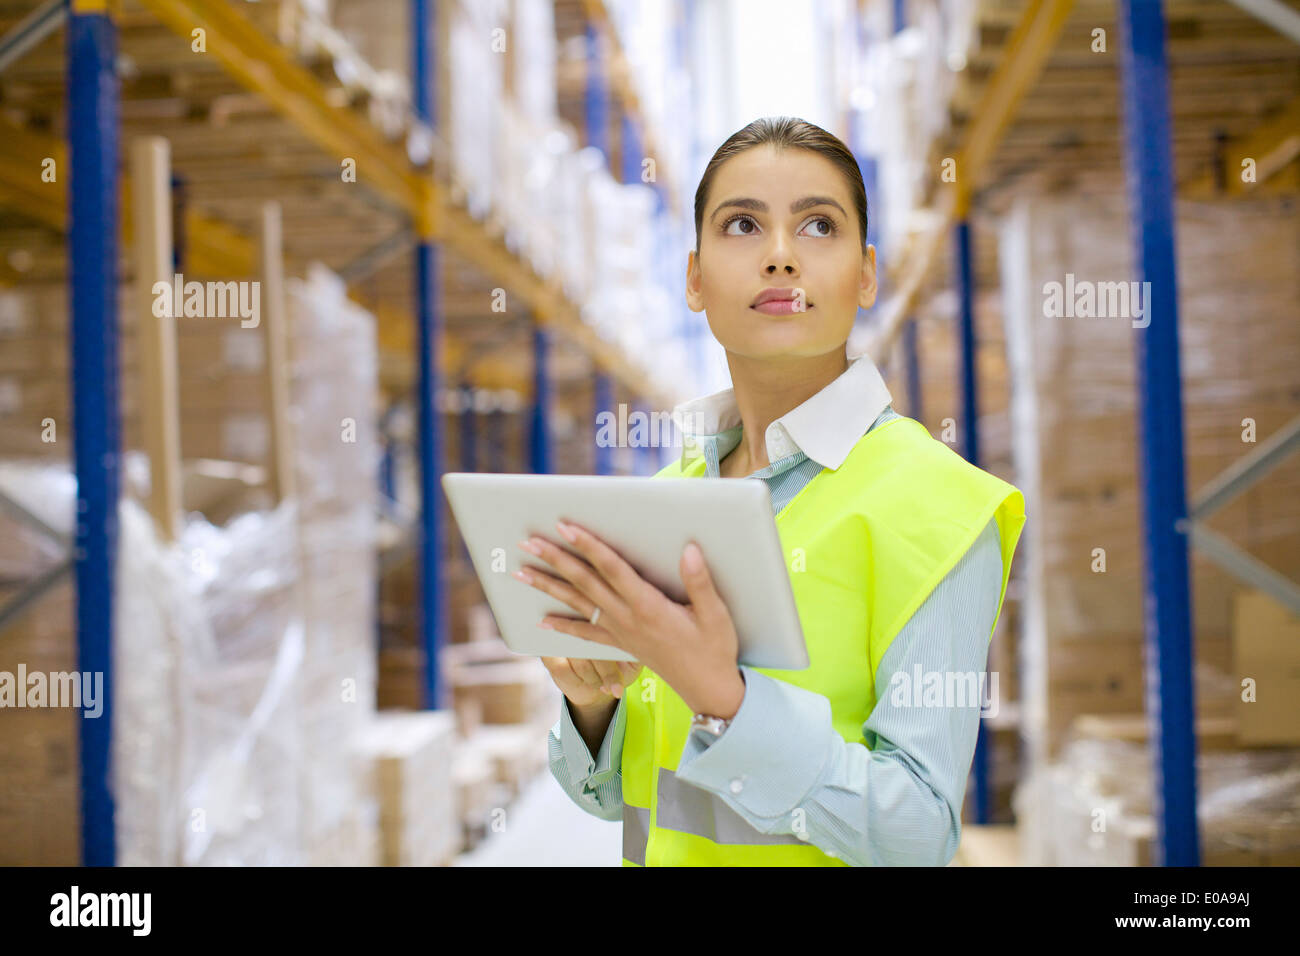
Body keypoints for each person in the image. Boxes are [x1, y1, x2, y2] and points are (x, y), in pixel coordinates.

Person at [514, 116, 1026, 866]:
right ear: (695, 278)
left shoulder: (938, 507)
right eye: (743, 225)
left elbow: (918, 834)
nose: (781, 256)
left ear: (866, 275)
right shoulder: (666, 500)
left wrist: (728, 700)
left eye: (819, 225)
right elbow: (624, 800)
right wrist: (591, 705)